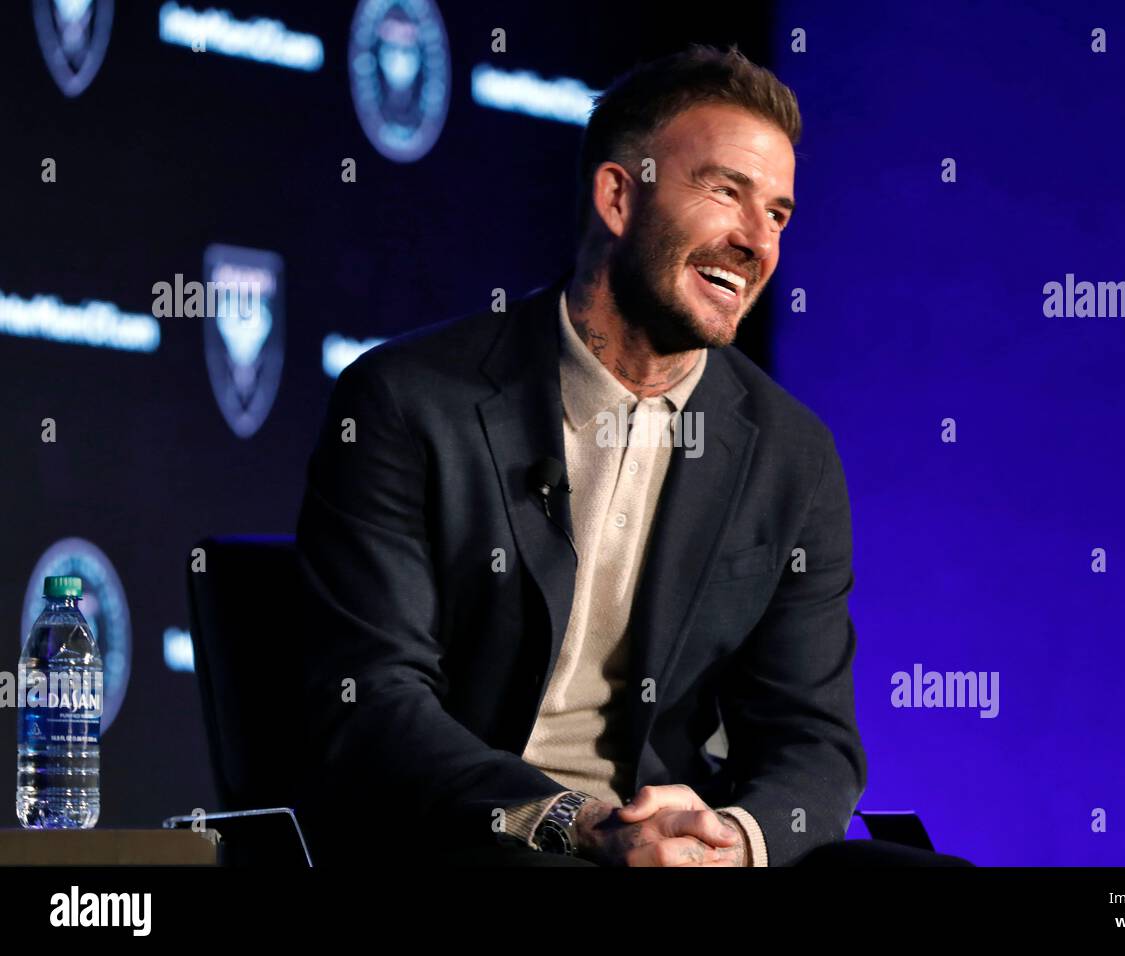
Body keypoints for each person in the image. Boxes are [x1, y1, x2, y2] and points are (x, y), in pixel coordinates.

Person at [295, 44, 971, 868]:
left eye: (780, 214)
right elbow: (374, 701)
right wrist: (575, 822)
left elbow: (813, 741)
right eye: (726, 192)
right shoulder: (405, 401)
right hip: (479, 834)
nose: (757, 240)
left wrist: (738, 842)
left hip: (680, 846)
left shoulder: (792, 455)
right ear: (618, 198)